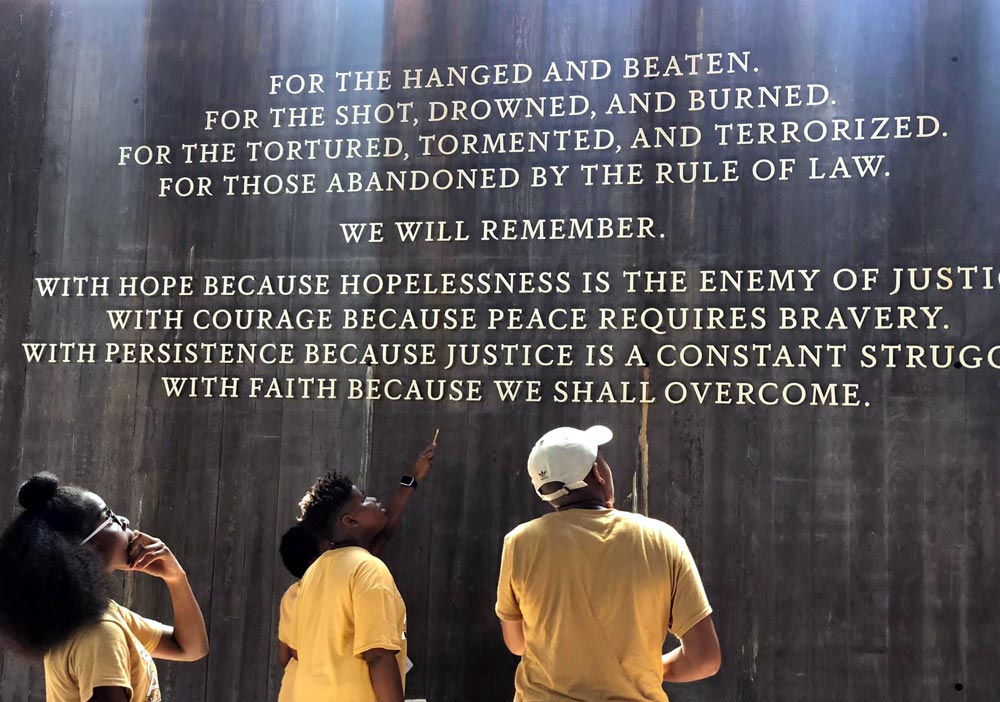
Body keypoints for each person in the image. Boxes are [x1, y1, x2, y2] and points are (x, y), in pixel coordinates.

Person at [495, 426, 721, 702]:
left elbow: (518, 644)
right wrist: (638, 671)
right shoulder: (661, 539)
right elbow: (704, 659)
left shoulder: (519, 543)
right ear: (598, 474)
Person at [0, 472, 209, 702]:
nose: (125, 521)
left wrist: (176, 578)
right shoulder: (100, 633)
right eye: (108, 515)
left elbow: (189, 647)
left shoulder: (98, 614)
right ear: (86, 546)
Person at [288, 443, 434, 702]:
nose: (375, 501)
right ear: (350, 521)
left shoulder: (314, 575)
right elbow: (378, 655)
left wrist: (411, 479)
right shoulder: (368, 569)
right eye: (365, 499)